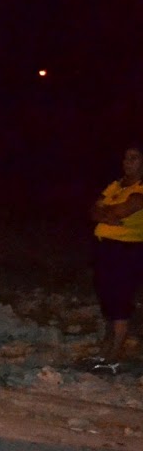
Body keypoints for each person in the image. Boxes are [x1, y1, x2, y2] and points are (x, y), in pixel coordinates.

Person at [87, 146, 143, 373]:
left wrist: (105, 212)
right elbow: (92, 211)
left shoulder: (139, 190)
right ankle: (105, 350)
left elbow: (123, 211)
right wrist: (105, 214)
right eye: (125, 157)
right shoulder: (117, 185)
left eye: (134, 158)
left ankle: (114, 356)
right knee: (107, 299)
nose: (127, 162)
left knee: (120, 301)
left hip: (127, 250)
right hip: (105, 249)